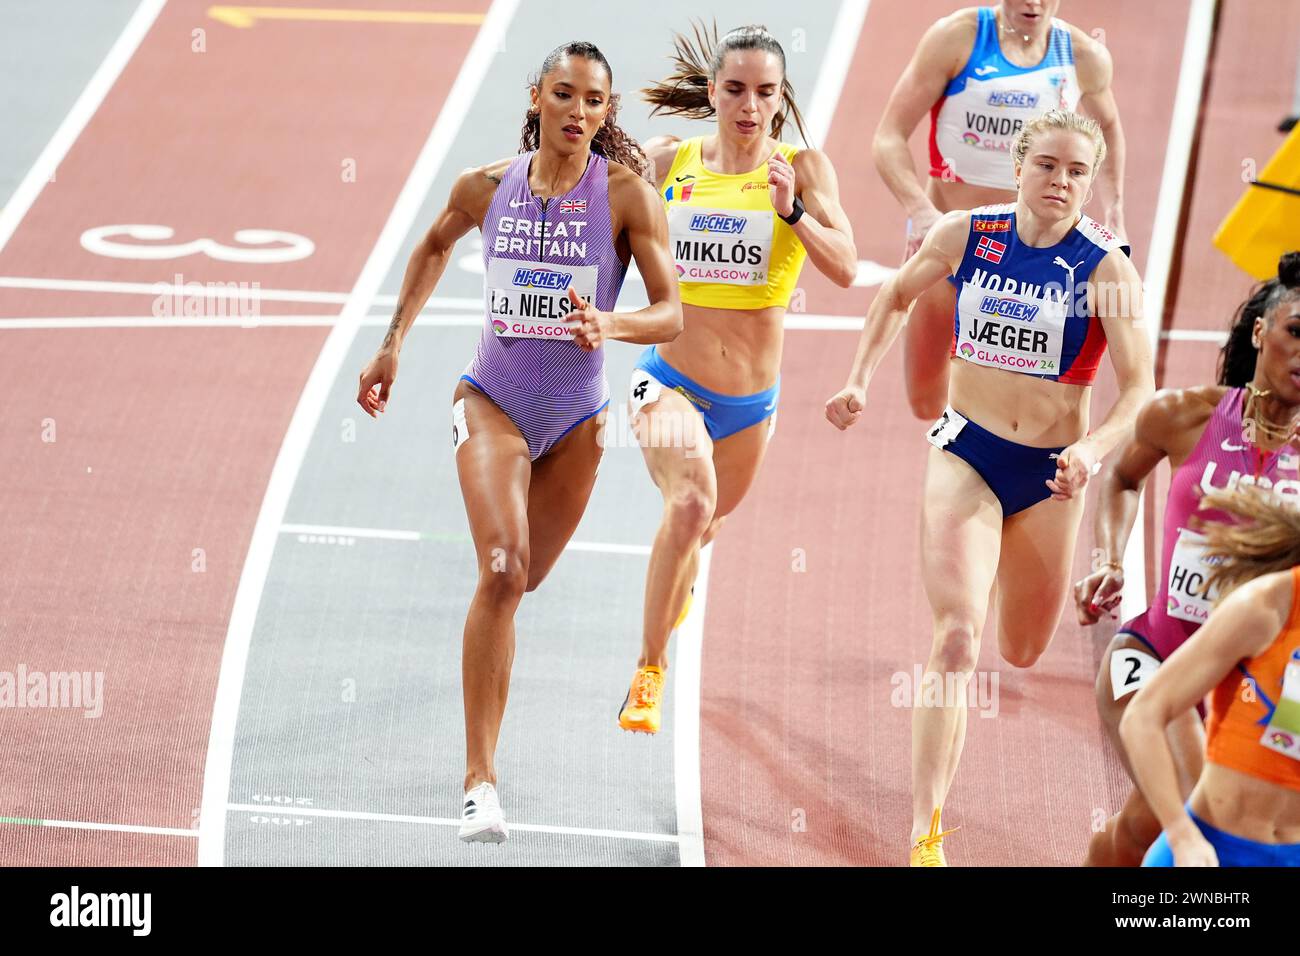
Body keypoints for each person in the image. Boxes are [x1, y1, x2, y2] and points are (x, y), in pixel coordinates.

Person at [355, 42, 681, 843]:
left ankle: (485, 699)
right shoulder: (485, 185)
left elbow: (671, 312)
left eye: (594, 101)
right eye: (563, 95)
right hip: (492, 400)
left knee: (523, 582)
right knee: (502, 571)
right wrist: (394, 340)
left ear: (606, 113)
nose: (578, 112)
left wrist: (611, 322)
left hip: (577, 423)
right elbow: (434, 243)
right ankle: (479, 783)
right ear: (536, 97)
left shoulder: (628, 198)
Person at [826, 109, 1153, 865]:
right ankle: (926, 832)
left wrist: (1093, 452)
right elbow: (895, 296)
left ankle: (1010, 580)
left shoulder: (1105, 267)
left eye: (1077, 171)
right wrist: (857, 382)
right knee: (957, 639)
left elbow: (1140, 390)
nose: (1061, 182)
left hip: (1049, 474)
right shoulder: (968, 235)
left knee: (1024, 647)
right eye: (1047, 166)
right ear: (1018, 167)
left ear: (1092, 180)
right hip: (966, 452)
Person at [615, 23, 857, 735]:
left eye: (765, 93)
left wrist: (794, 212)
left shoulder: (804, 170)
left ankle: (678, 583)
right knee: (689, 504)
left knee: (706, 523)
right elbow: (597, 226)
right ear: (714, 93)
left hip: (751, 404)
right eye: (736, 89)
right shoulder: (669, 159)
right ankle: (648, 673)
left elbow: (845, 267)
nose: (749, 106)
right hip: (668, 380)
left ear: (779, 101)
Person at [1077, 253, 1300, 866]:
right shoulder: (1184, 416)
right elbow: (1121, 478)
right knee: (1183, 807)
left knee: (1149, 821)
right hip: (1153, 654)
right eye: (1296, 332)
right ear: (1261, 332)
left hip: (1255, 688)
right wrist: (1111, 560)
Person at [873, 0, 1126, 419]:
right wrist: (921, 214)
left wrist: (1115, 207)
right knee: (925, 400)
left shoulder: (1084, 57)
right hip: (949, 243)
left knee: (1015, 405)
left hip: (1031, 258)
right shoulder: (956, 38)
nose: (1032, 3)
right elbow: (888, 137)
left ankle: (977, 471)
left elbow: (1110, 127)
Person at [1121, 487, 1300, 866]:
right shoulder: (1264, 607)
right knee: (1129, 831)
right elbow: (1143, 716)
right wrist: (1180, 834)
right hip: (1210, 851)